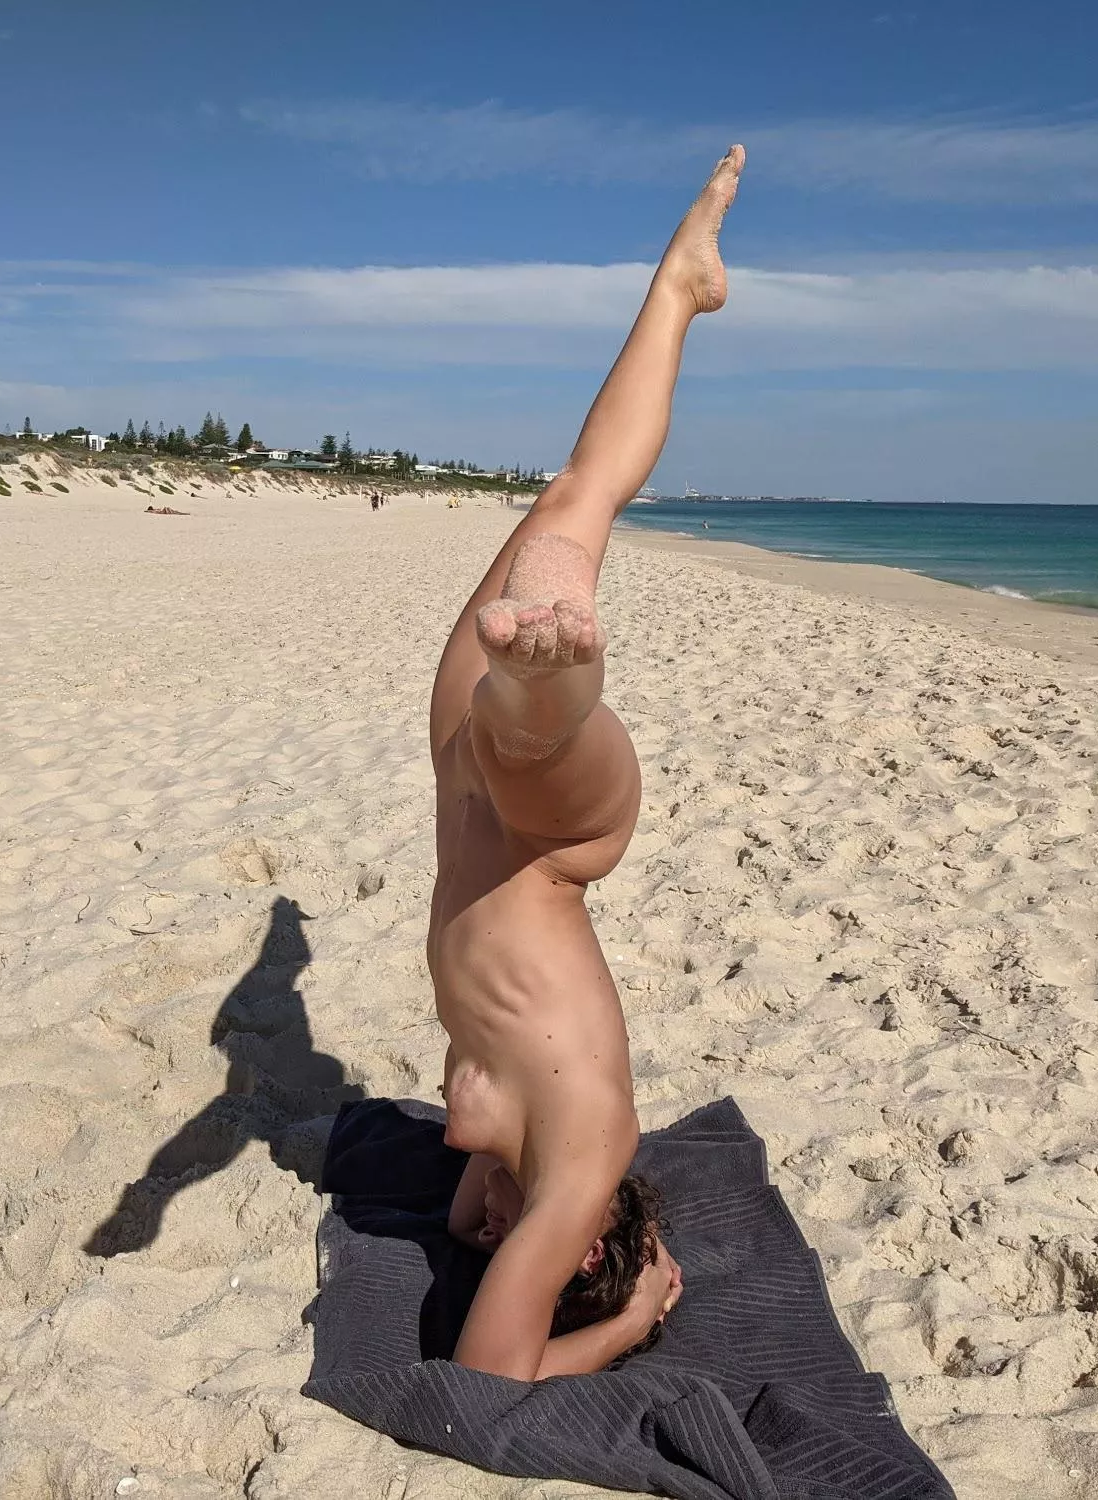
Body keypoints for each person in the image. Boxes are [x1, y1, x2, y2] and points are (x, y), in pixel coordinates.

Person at [425, 145, 745, 1380]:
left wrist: (494, 1202)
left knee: (579, 486)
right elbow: (489, 1372)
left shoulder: (511, 1173)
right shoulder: (582, 1163)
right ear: (589, 1238)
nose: (486, 1230)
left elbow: (460, 1217)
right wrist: (633, 1317)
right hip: (557, 845)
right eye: (533, 1249)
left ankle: (675, 289)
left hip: (456, 765)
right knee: (538, 735)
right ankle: (551, 670)